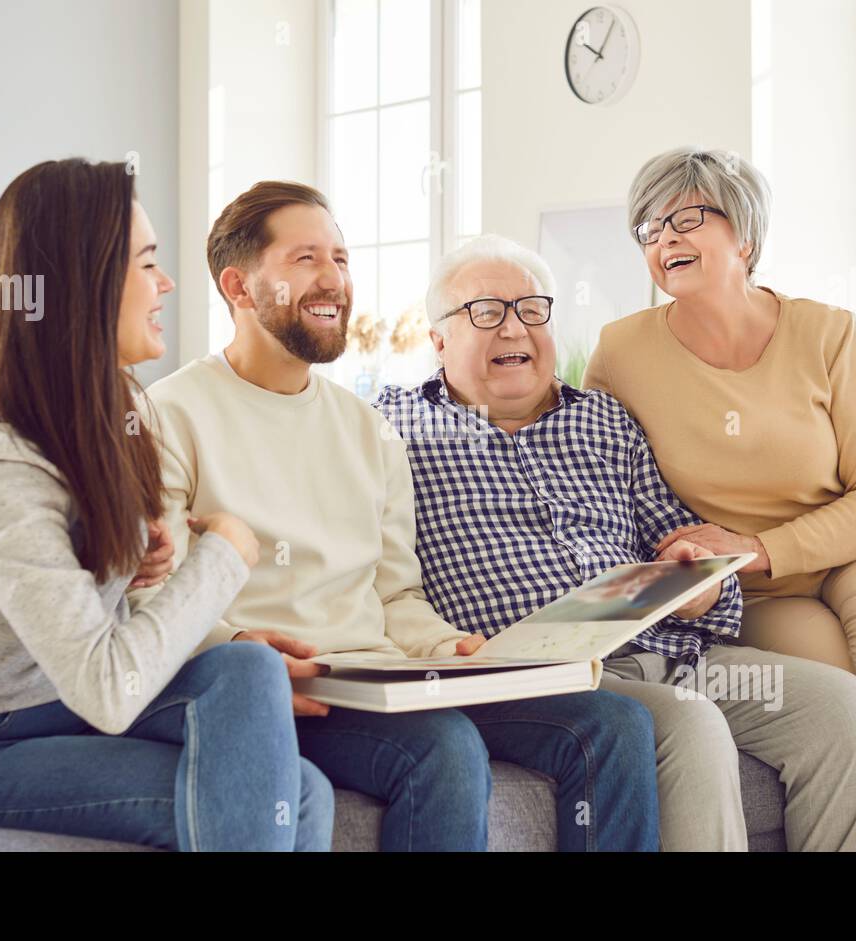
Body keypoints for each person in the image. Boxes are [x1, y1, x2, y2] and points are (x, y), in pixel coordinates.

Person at [129, 181, 659, 852]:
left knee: (613, 723)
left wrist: (450, 647)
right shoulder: (167, 415)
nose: (334, 279)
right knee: (443, 748)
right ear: (238, 287)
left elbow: (395, 595)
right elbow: (156, 599)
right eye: (306, 259)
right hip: (269, 684)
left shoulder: (367, 427)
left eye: (341, 259)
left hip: (380, 679)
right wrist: (241, 653)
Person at [377, 234, 856, 851]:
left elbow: (679, 541)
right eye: (486, 312)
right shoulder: (392, 428)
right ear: (438, 340)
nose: (514, 329)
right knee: (688, 724)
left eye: (532, 309)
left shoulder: (605, 419)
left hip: (671, 652)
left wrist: (703, 585)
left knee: (842, 709)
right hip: (546, 679)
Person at [0, 158, 332, 851]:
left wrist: (123, 564)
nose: (167, 283)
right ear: (80, 284)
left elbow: (88, 629)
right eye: (147, 263)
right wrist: (224, 553)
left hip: (63, 710)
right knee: (288, 800)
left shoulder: (112, 416)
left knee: (252, 676)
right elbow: (110, 688)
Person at [584, 146, 856, 851]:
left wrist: (763, 545)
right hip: (751, 590)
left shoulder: (828, 331)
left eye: (686, 218)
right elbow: (599, 478)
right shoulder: (621, 352)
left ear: (744, 234)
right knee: (845, 694)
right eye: (649, 227)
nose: (665, 237)